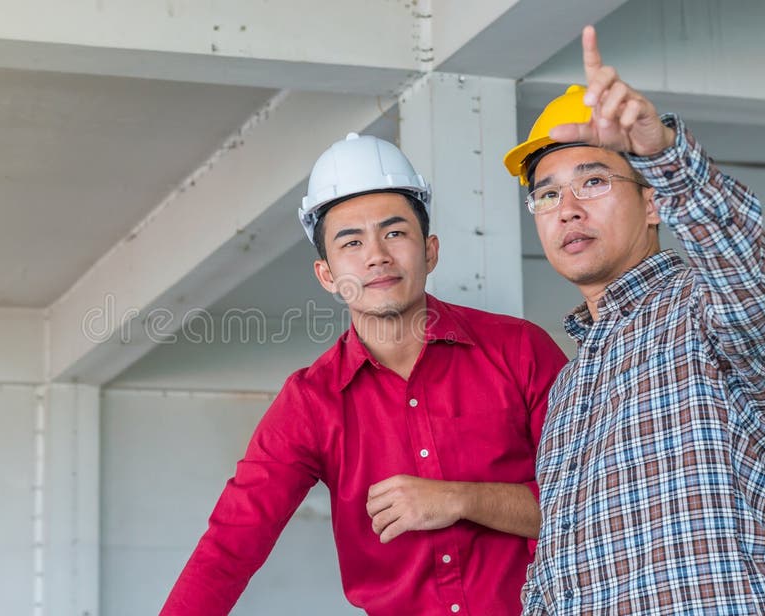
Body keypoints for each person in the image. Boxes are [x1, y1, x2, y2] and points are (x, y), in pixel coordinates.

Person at [161, 132, 568, 615]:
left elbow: (593, 504)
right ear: (327, 275)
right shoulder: (310, 402)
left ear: (430, 250)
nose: (377, 255)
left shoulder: (520, 350)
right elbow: (230, 546)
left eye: (395, 233)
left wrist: (462, 499)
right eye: (351, 241)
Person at [503, 25, 765, 614]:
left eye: (593, 181)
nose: (567, 209)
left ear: (652, 203)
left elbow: (748, 266)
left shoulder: (704, 309)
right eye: (546, 195)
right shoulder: (571, 389)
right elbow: (557, 570)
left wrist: (663, 154)